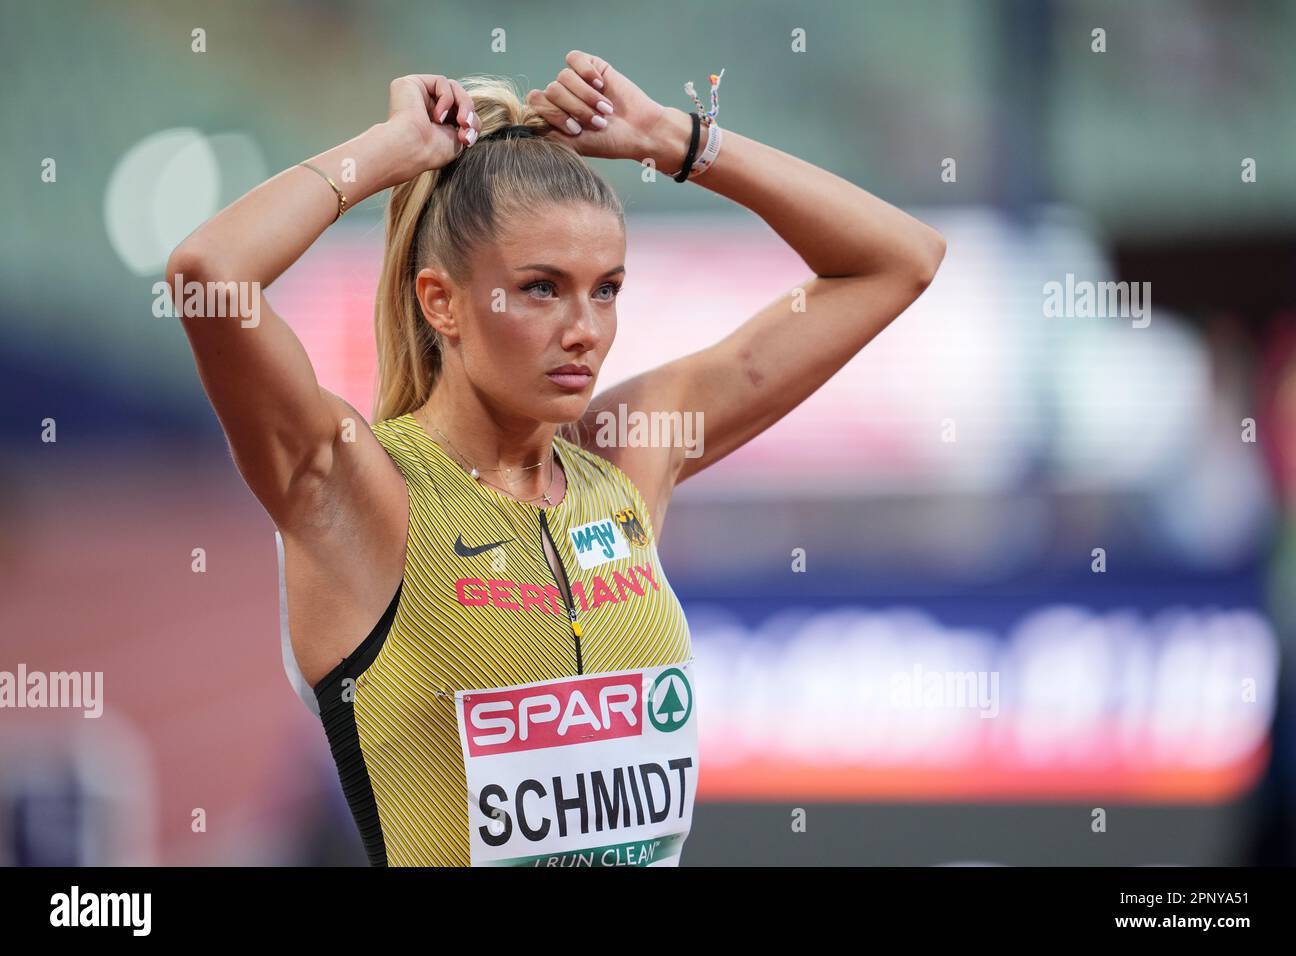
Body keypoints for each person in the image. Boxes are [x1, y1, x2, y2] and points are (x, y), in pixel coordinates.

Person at [167, 50, 945, 866]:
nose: (585, 330)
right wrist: (391, 149)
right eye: (542, 288)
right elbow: (208, 274)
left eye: (606, 288)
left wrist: (670, 139)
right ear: (442, 301)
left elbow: (900, 259)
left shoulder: (627, 460)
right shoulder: (360, 490)